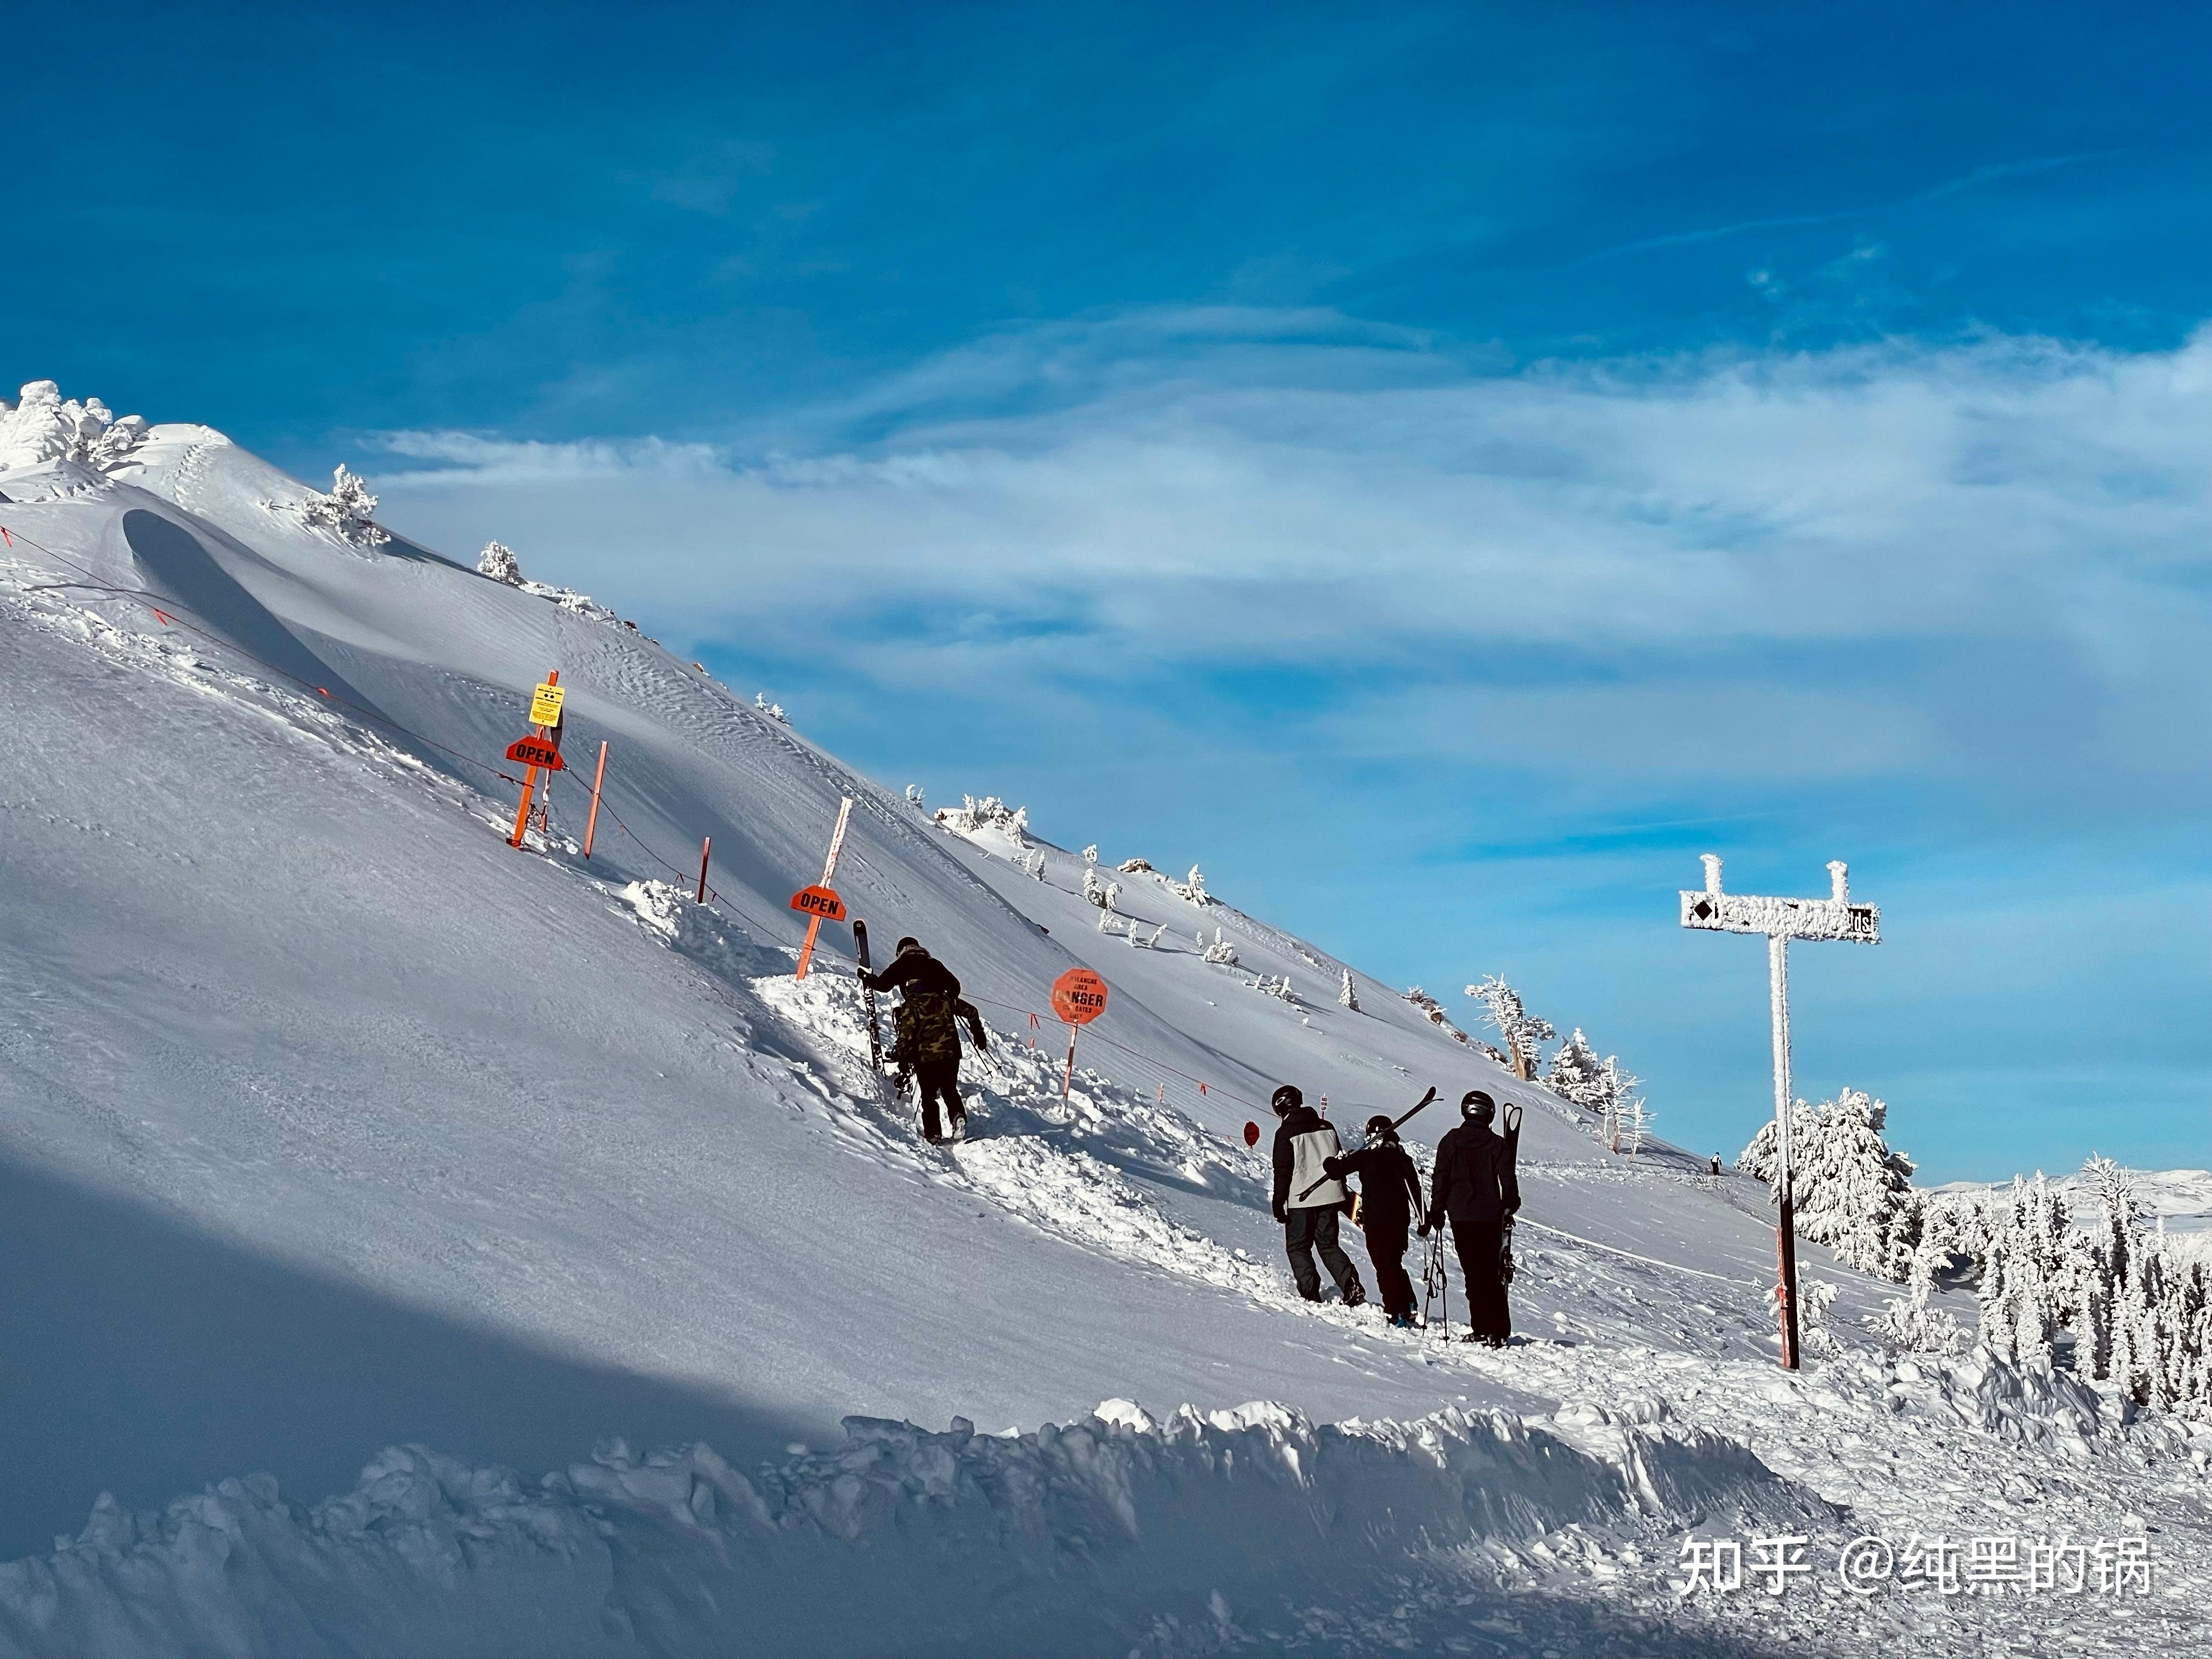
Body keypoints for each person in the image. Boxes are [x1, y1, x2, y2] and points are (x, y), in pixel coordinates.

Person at [1426, 1089, 1520, 1346]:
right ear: (1489, 1114)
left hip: (1461, 1217)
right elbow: (1507, 1179)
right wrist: (1510, 1204)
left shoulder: (1451, 1141)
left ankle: (1481, 1328)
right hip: (1490, 1218)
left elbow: (1441, 1177)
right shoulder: (1498, 1144)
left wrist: (1437, 1209)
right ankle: (1498, 1330)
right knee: (1492, 1274)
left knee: (1473, 1274)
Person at [862, 936, 968, 1142]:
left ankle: (934, 1135)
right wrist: (940, 998)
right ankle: (957, 1116)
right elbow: (955, 987)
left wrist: (867, 978)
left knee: (928, 1093)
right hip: (946, 1038)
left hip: (923, 1043)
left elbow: (883, 986)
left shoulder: (902, 965)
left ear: (901, 951)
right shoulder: (934, 964)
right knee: (948, 1087)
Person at [1324, 1115, 1425, 1328]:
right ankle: (1407, 1303)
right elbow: (1414, 1192)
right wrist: (1424, 1218)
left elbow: (1335, 1171)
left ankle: (1395, 1310)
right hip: (1399, 1222)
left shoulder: (1368, 1157)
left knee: (1384, 1266)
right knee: (1393, 1263)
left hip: (1378, 1221)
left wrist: (1331, 1161)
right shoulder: (1402, 1159)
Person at [1269, 1085, 1366, 1307]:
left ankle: (1310, 1293)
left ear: (1280, 1107)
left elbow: (1283, 1170)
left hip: (1301, 1198)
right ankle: (1351, 1285)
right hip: (1331, 1196)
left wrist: (1278, 1201)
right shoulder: (1327, 1127)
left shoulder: (1285, 1133)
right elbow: (1339, 1161)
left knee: (1298, 1246)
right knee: (1328, 1245)